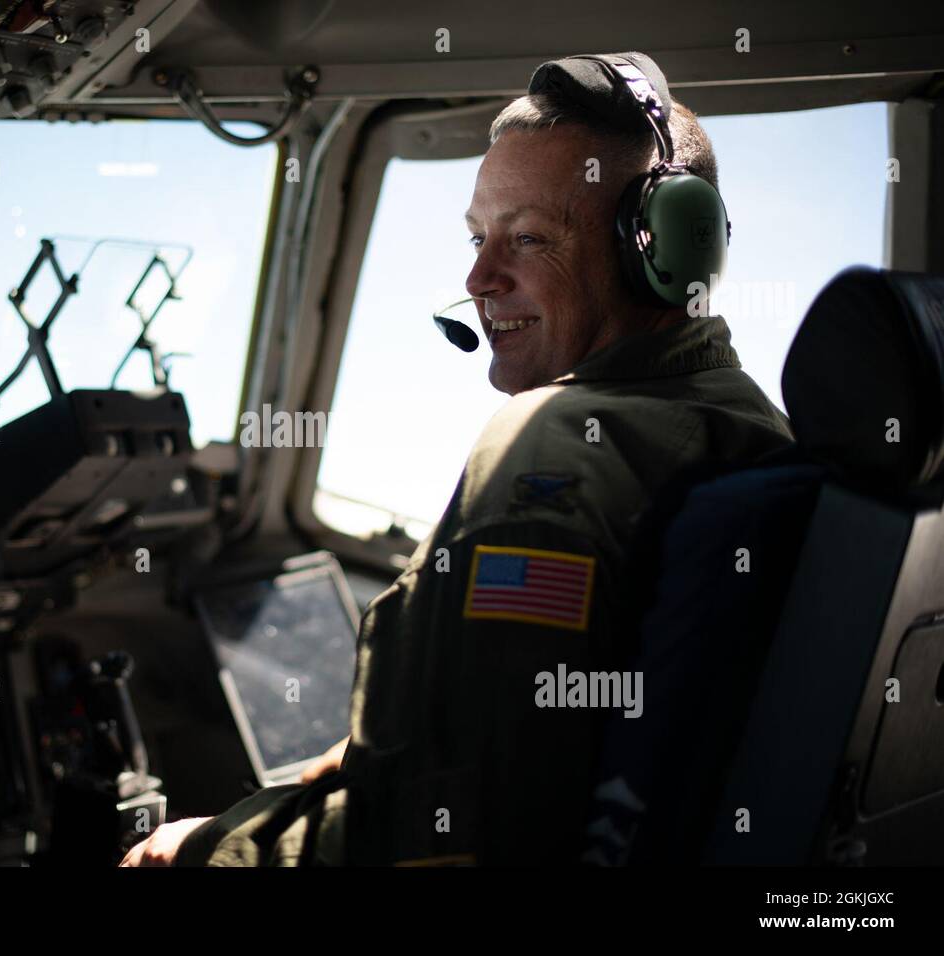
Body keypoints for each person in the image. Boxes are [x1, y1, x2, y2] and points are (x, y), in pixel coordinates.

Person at [121, 52, 793, 867]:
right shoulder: (758, 430)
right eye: (479, 238)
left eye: (529, 238)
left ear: (660, 252)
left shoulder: (550, 445)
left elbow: (457, 837)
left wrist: (202, 854)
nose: (478, 277)